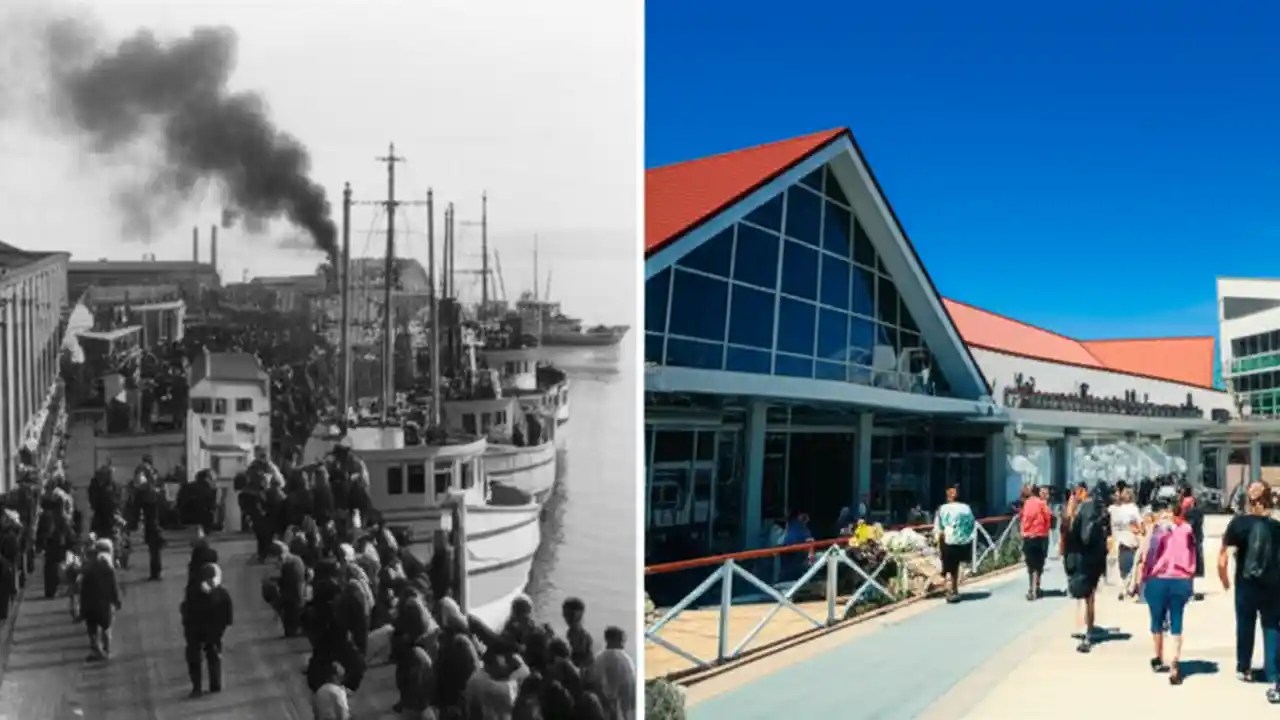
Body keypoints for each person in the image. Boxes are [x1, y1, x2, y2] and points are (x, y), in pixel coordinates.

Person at [1219, 480, 1280, 693]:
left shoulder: (1239, 524)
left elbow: (1223, 557)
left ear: (1248, 498)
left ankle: (1244, 667)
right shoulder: (1276, 527)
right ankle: (1273, 672)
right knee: (1272, 626)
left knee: (1245, 625)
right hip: (1273, 585)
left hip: (1246, 584)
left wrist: (1224, 579)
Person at [1143, 498, 1197, 685]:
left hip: (1158, 579)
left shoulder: (1158, 530)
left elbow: (1147, 554)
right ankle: (1175, 661)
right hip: (1181, 579)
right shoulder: (1188, 530)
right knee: (1177, 620)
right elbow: (1192, 554)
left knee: (1157, 620)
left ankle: (1158, 656)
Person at [1062, 483, 1107, 653]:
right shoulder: (1090, 509)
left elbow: (1074, 535)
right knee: (1089, 598)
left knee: (1086, 597)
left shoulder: (1081, 510)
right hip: (1090, 559)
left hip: (1080, 560)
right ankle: (1088, 629)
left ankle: (1087, 630)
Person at [181, 562, 233, 697]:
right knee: (213, 654)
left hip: (197, 630)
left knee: (195, 657)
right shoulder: (221, 593)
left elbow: (185, 609)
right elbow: (228, 615)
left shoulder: (192, 590)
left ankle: (197, 687)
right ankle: (214, 684)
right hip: (208, 630)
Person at [79, 538, 122, 661]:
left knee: (92, 627)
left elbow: (83, 588)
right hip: (104, 602)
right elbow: (113, 586)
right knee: (105, 626)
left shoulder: (88, 568)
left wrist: (82, 608)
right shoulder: (108, 566)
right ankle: (106, 650)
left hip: (90, 603)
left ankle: (96, 649)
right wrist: (116, 599)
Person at [933, 485, 976, 604]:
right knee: (955, 567)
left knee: (948, 567)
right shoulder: (966, 508)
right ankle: (955, 589)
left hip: (948, 541)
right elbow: (972, 523)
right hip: (963, 541)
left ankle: (949, 590)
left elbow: (938, 527)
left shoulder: (943, 508)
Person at [591, 626, 636, 720]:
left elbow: (595, 680)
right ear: (612, 640)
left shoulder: (599, 657)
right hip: (617, 702)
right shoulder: (619, 657)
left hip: (610, 702)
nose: (623, 642)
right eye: (621, 639)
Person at [1109, 487, 1143, 601]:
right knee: (1132, 565)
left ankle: (1124, 588)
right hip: (1130, 539)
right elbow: (1140, 523)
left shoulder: (1115, 509)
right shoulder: (1133, 509)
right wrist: (1142, 531)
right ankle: (1128, 589)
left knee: (1121, 567)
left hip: (1117, 539)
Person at [1019, 484, 1052, 601]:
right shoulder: (1042, 504)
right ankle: (1035, 588)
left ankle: (1032, 588)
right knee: (1039, 564)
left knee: (1030, 565)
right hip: (1040, 536)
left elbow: (1023, 519)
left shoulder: (1027, 503)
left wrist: (1023, 532)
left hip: (1027, 536)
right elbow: (1048, 519)